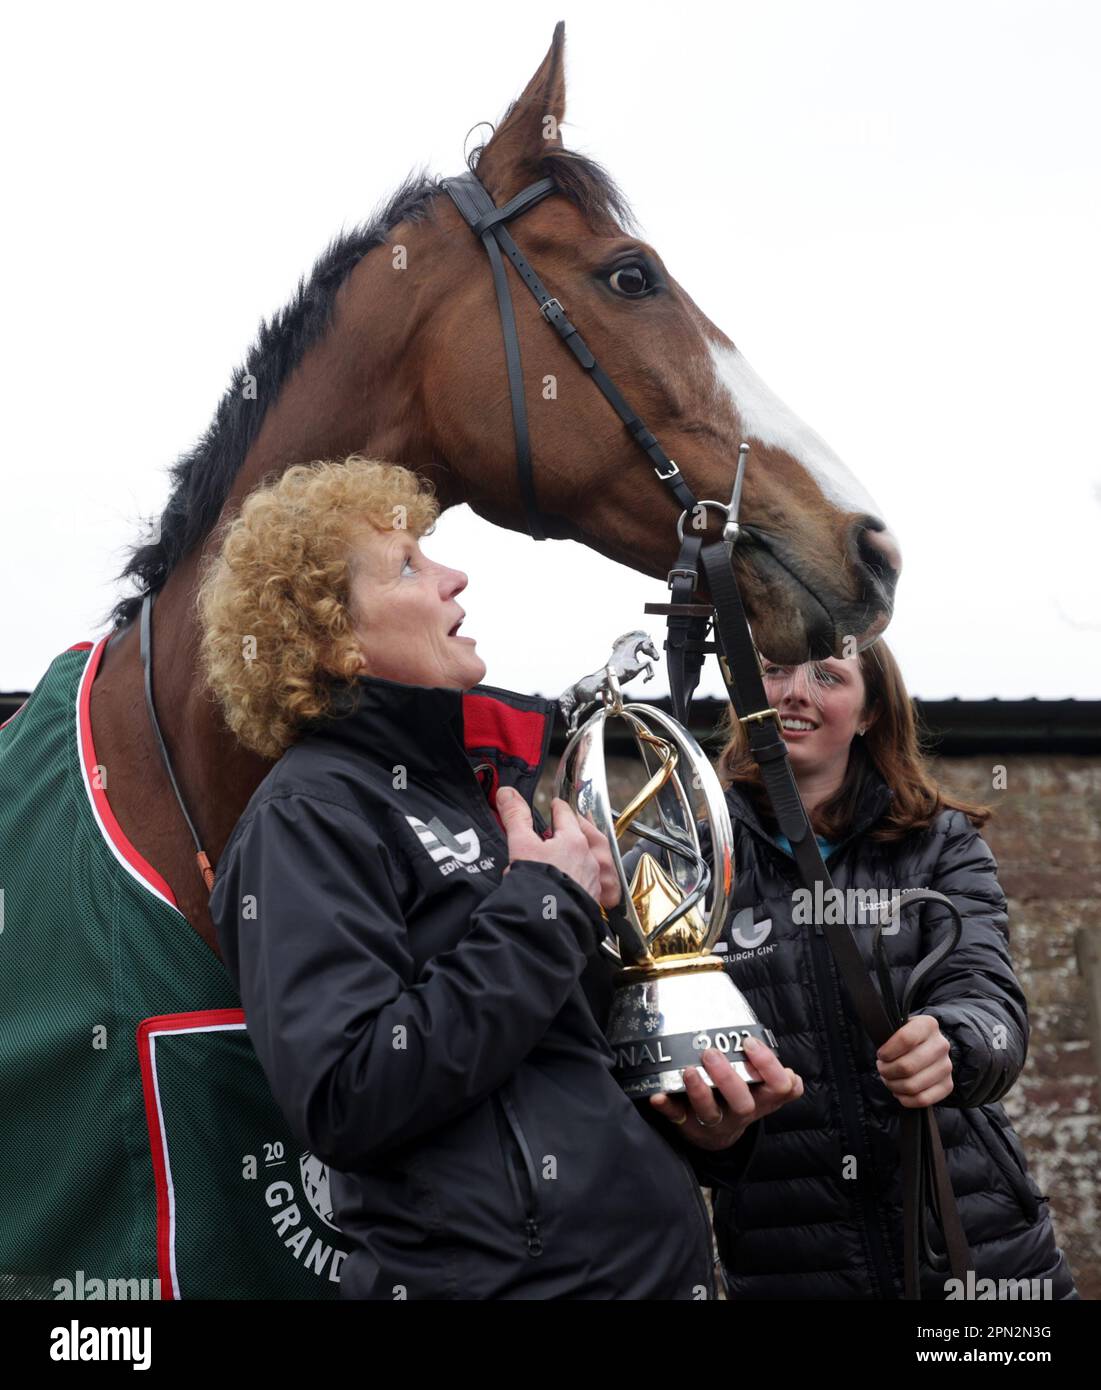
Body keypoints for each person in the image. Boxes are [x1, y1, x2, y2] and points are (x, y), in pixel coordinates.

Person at [198, 454, 803, 1301]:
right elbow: (345, 1095)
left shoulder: (492, 797)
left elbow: (562, 1073)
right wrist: (544, 904)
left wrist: (708, 1125)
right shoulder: (304, 820)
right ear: (334, 637)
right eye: (408, 566)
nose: (453, 577)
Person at [699, 643, 1079, 1299]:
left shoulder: (939, 838)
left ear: (871, 710)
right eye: (775, 669)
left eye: (828, 675)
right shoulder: (694, 854)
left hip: (974, 1241)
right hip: (784, 1254)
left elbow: (989, 1004)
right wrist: (708, 1124)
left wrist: (951, 1042)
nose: (794, 692)